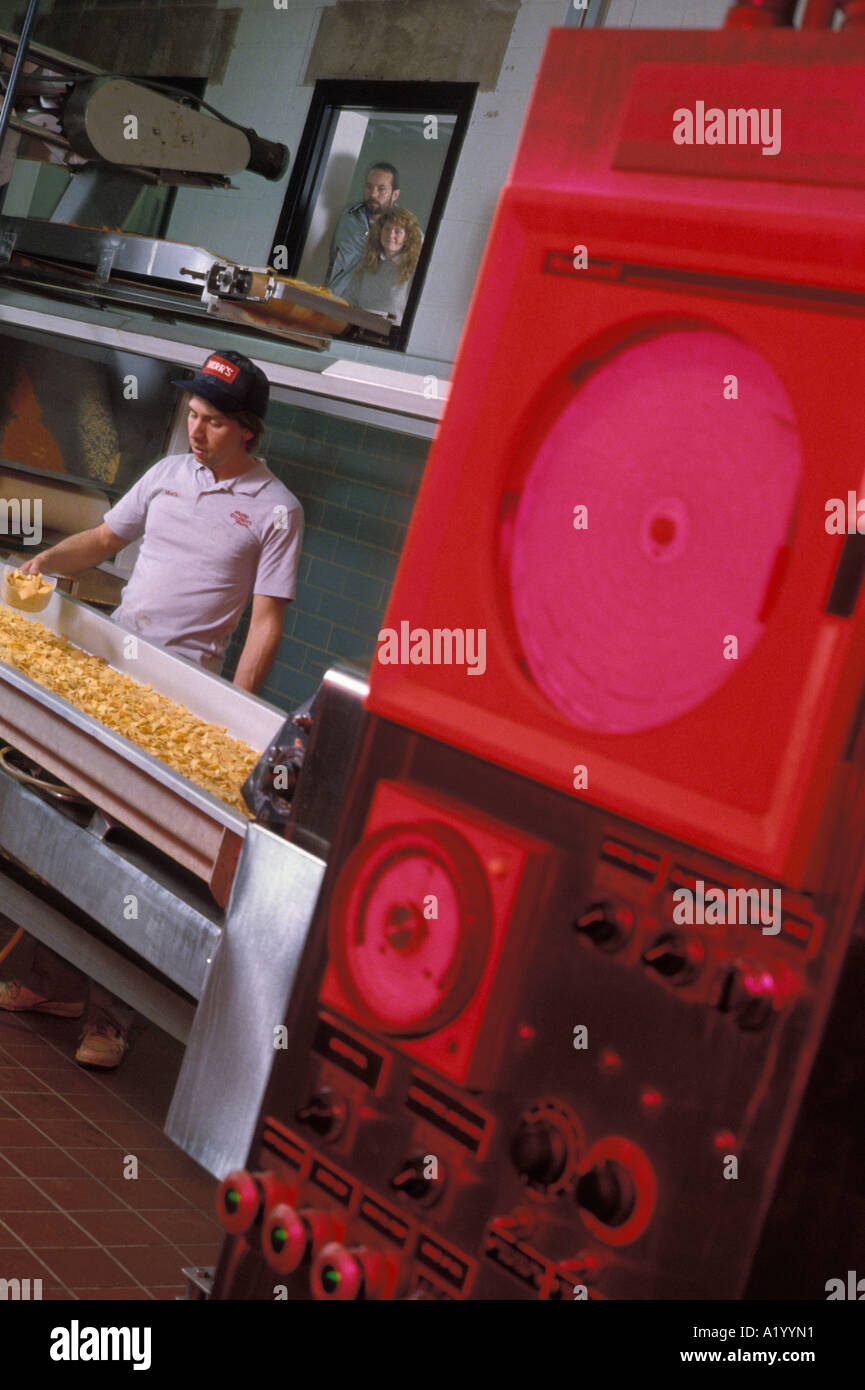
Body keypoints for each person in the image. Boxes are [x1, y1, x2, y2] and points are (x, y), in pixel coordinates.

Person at [0, 349, 304, 1067]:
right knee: (72, 821)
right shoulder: (168, 476)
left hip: (179, 697)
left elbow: (265, 622)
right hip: (111, 673)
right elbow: (107, 539)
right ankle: (51, 983)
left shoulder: (276, 511)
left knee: (130, 850)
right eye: (192, 416)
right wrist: (44, 561)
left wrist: (234, 713)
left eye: (213, 423)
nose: (196, 433)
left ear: (248, 431)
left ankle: (110, 1018)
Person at [325, 161, 400, 297]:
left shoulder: (407, 232)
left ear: (395, 195)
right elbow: (333, 263)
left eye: (381, 189)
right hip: (332, 302)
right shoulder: (347, 217)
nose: (373, 194)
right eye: (369, 187)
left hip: (367, 312)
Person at [343, 207, 423, 327]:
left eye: (398, 231)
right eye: (387, 229)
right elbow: (349, 300)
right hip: (357, 329)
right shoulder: (366, 264)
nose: (391, 235)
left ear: (407, 237)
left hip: (393, 337)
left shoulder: (414, 271)